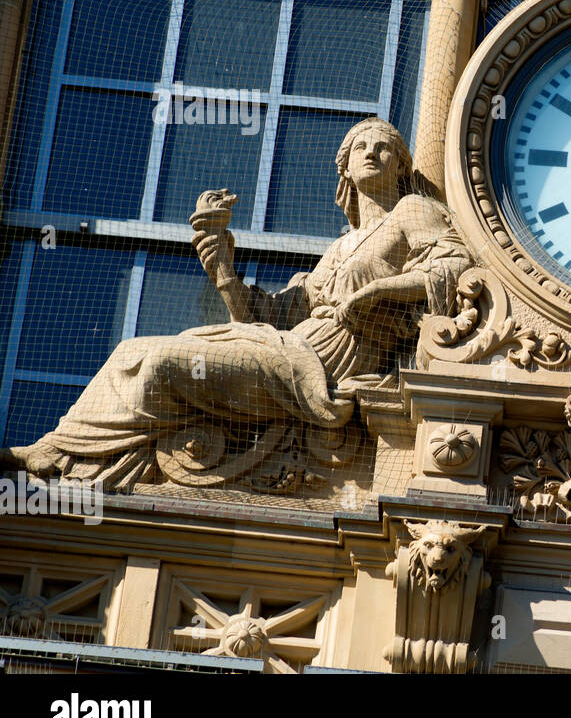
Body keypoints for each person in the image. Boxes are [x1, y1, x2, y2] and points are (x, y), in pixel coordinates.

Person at [2, 118, 472, 488]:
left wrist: (378, 291)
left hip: (327, 365)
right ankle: (65, 452)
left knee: (159, 361)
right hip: (292, 348)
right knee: (136, 354)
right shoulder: (339, 248)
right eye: (360, 146)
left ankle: (63, 457)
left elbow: (452, 268)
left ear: (401, 165)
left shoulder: (414, 211)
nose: (372, 152)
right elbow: (273, 315)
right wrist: (224, 270)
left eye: (384, 146)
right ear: (344, 167)